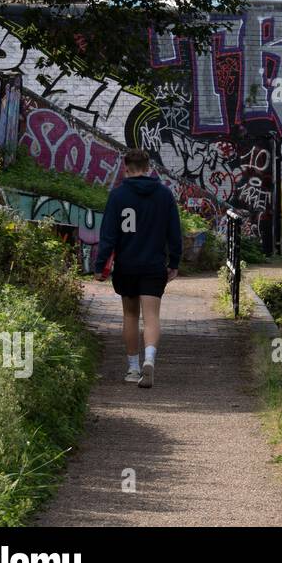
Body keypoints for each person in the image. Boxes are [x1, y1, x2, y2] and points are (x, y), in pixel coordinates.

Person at [94, 149, 182, 389]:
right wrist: (174, 263)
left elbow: (108, 236)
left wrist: (99, 266)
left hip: (127, 265)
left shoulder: (118, 196)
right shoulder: (164, 195)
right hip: (154, 266)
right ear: (148, 167)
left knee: (130, 315)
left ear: (126, 168)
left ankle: (133, 368)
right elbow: (174, 232)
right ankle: (150, 360)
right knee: (152, 316)